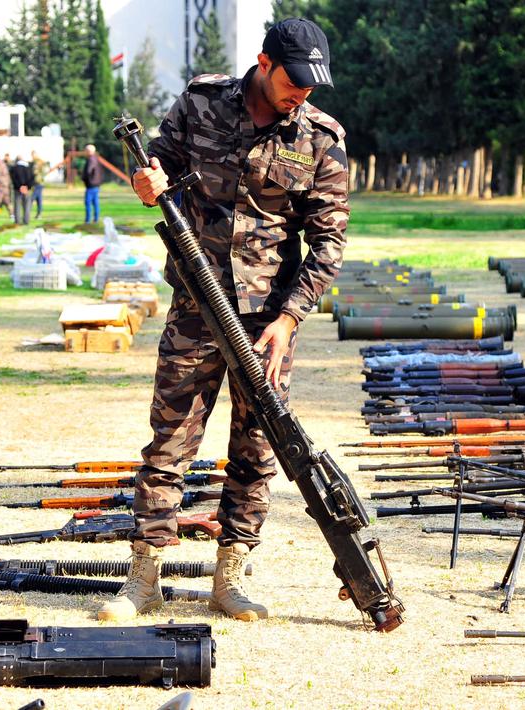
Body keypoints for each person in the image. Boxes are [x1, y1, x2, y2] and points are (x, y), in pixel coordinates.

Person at [97, 18, 347, 623]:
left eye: (313, 86)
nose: (301, 95)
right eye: (293, 81)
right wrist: (146, 179)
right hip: (195, 305)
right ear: (264, 63)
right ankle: (144, 580)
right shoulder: (202, 102)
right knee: (170, 441)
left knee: (257, 452)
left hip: (266, 322)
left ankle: (228, 580)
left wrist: (288, 321)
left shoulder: (321, 138)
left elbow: (328, 242)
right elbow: (158, 161)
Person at [29, 150, 58, 219]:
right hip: (37, 182)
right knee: (39, 199)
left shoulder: (39, 162)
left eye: (33, 155)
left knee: (32, 198)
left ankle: (27, 213)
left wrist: (39, 175)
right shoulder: (35, 162)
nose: (32, 156)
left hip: (38, 182)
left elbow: (40, 171)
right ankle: (39, 214)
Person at [9, 155, 35, 225]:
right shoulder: (29, 168)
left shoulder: (13, 168)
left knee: (17, 205)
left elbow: (13, 179)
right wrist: (27, 187)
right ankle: (26, 220)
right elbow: (32, 178)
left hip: (17, 189)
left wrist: (20, 186)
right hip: (27, 190)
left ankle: (17, 220)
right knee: (27, 205)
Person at [82, 143, 104, 224]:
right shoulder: (96, 159)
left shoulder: (91, 159)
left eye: (85, 150)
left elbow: (88, 171)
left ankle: (87, 220)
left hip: (91, 185)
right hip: (96, 184)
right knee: (95, 203)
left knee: (88, 202)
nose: (84, 152)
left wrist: (84, 178)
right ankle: (96, 219)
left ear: (88, 151)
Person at [0, 152, 13, 217]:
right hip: (5, 184)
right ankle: (12, 214)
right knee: (7, 200)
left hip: (2, 185)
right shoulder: (2, 163)